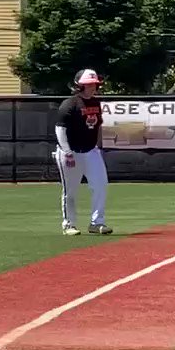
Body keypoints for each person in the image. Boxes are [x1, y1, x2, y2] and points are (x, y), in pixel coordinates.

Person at [54, 68, 112, 236]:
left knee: (100, 185)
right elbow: (60, 129)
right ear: (79, 86)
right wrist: (67, 151)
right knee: (70, 191)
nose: (93, 87)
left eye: (95, 84)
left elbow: (98, 125)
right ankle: (69, 224)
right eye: (89, 84)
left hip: (91, 151)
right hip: (70, 151)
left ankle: (97, 223)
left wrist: (99, 147)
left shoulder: (95, 103)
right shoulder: (69, 104)